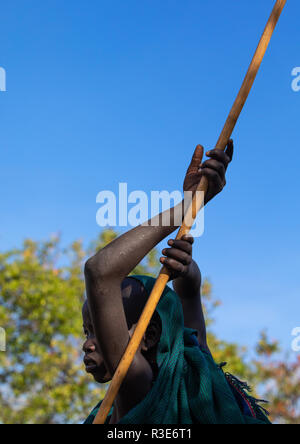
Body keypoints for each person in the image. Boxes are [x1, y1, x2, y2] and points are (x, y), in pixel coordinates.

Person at [83, 142, 270, 424]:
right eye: (87, 332)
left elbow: (100, 271)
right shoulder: (188, 377)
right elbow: (190, 300)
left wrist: (186, 208)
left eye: (99, 329)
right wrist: (186, 269)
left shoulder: (139, 384)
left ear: (148, 337)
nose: (88, 345)